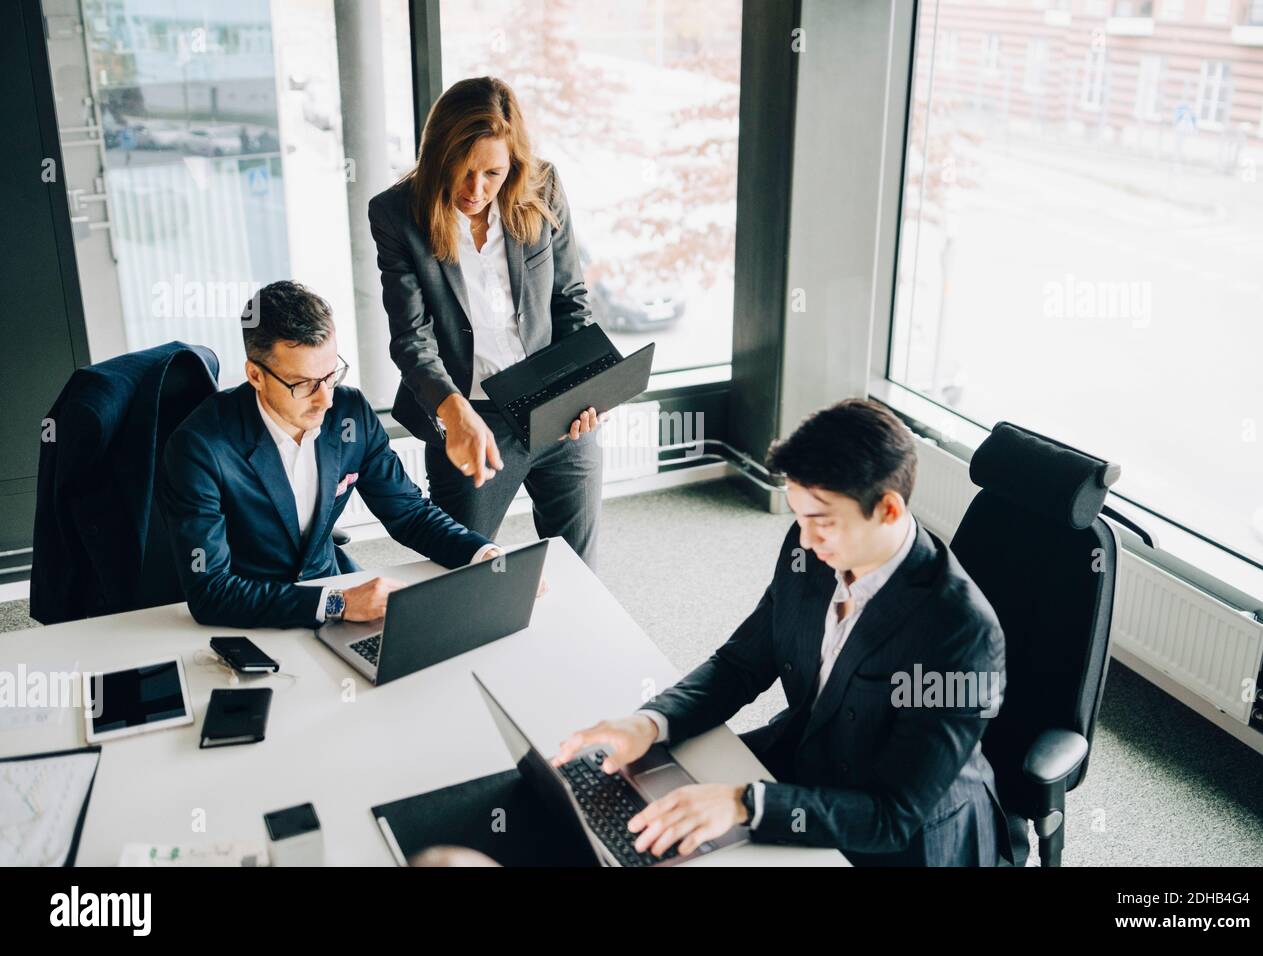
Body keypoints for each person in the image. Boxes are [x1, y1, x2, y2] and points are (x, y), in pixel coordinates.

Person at [553, 399, 1011, 866]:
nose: (806, 540)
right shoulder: (809, 547)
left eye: (823, 521)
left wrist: (744, 804)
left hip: (903, 838)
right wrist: (650, 722)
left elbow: (893, 815)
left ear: (889, 510)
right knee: (640, 809)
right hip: (810, 760)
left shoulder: (962, 633)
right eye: (798, 515)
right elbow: (742, 663)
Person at [159, 280, 502, 629]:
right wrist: (337, 603)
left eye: (330, 375)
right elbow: (210, 592)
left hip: (335, 584)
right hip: (253, 612)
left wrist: (482, 554)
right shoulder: (199, 447)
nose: (325, 399)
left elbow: (410, 514)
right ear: (256, 375)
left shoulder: (350, 413)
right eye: (304, 383)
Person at [369, 75, 603, 569]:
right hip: (471, 415)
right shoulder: (396, 214)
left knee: (578, 570)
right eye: (464, 169)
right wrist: (455, 415)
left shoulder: (543, 187)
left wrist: (587, 389)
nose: (476, 190)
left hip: (556, 405)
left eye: (493, 174)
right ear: (438, 155)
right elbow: (412, 339)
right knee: (462, 573)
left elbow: (570, 299)